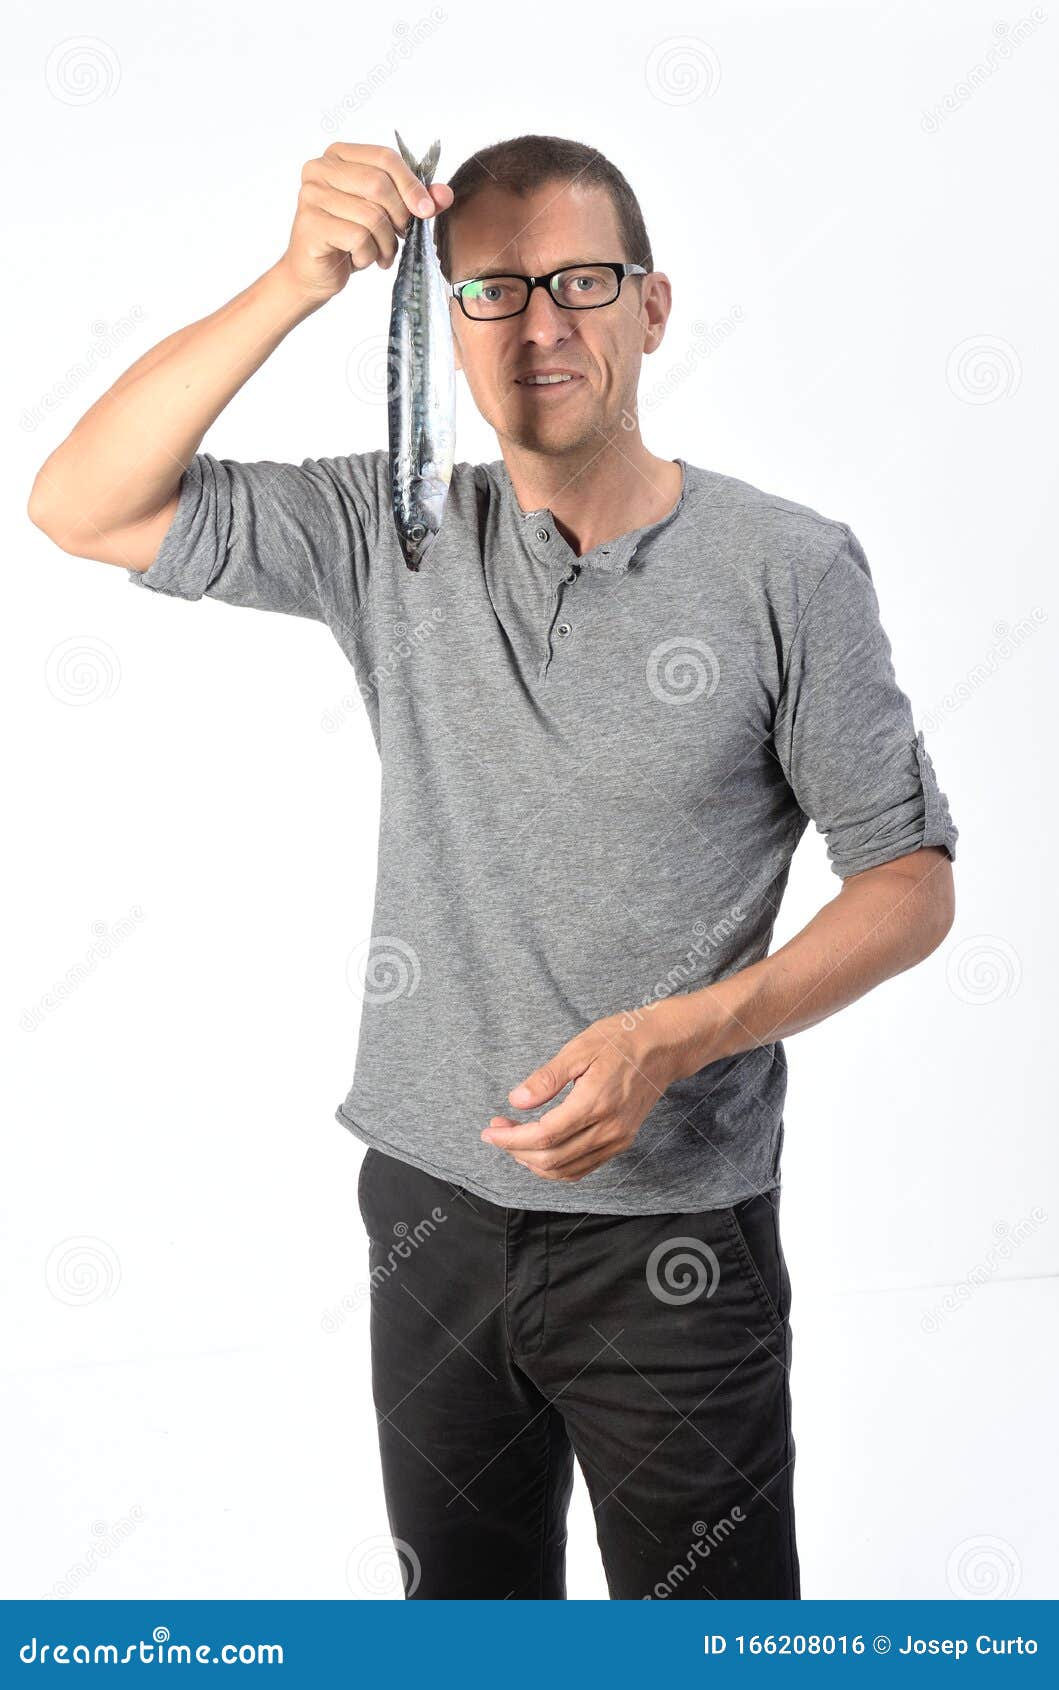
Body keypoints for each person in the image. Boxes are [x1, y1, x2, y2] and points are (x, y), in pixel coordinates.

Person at [28, 133, 959, 1601]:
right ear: (444, 324)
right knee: (461, 1629)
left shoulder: (789, 568)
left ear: (653, 308)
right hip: (429, 1215)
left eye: (582, 282)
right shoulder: (392, 530)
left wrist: (678, 1035)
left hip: (674, 1237)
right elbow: (81, 504)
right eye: (492, 292)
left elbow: (909, 878)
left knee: (713, 1644)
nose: (541, 326)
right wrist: (292, 283)